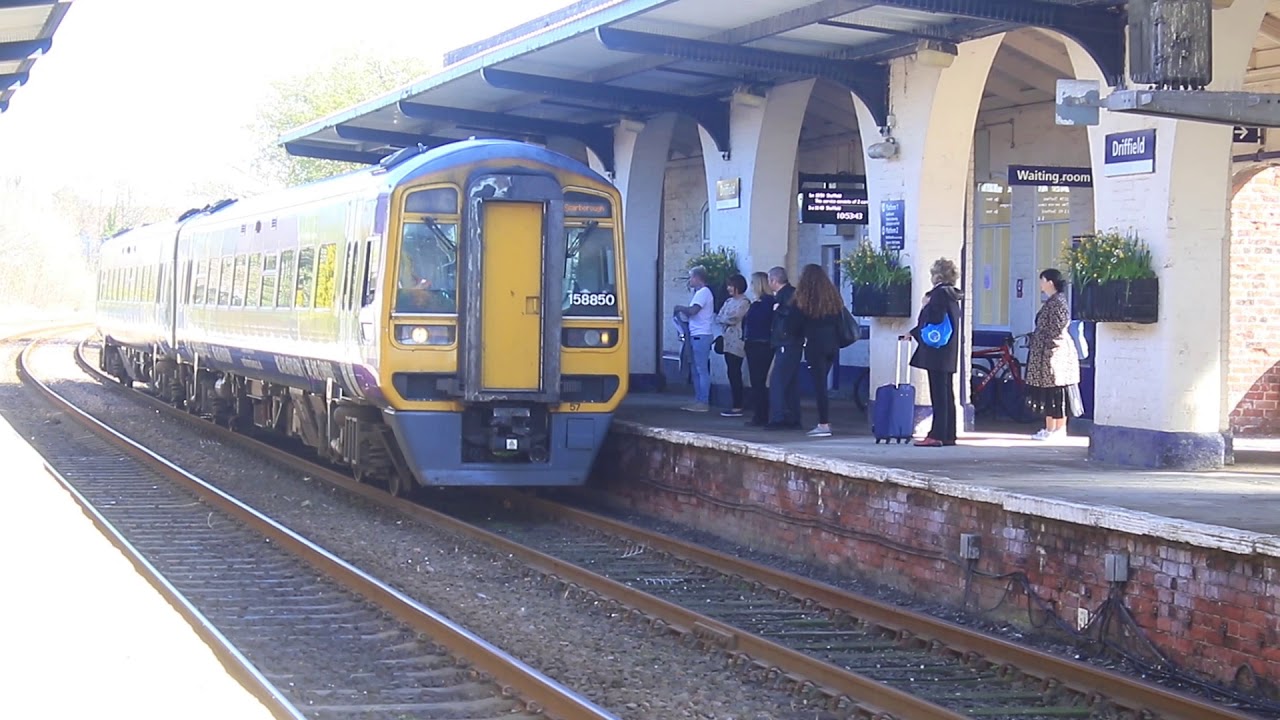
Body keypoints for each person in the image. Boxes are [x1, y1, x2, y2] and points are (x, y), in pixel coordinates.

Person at [909, 258, 962, 447]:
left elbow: (934, 318)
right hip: (949, 351)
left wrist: (925, 305)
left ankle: (936, 434)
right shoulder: (953, 295)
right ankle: (949, 434)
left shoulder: (938, 295)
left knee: (938, 393)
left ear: (937, 275)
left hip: (937, 352)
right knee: (947, 394)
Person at [1025, 268, 1082, 441]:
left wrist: (1047, 345)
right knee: (1051, 391)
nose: (1041, 285)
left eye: (1042, 280)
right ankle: (1053, 428)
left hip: (1055, 355)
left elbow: (1058, 328)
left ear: (1050, 282)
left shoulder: (1057, 302)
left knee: (1055, 390)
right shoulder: (1054, 301)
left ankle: (1055, 429)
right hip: (1049, 354)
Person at [793, 263, 844, 437]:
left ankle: (824, 424)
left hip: (815, 345)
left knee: (819, 385)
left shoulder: (804, 299)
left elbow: (795, 324)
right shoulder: (832, 297)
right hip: (832, 344)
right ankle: (824, 422)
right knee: (822, 384)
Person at [766, 266, 803, 429]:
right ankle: (793, 417)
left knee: (777, 381)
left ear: (774, 280)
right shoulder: (792, 293)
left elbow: (791, 315)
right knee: (791, 382)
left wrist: (778, 309)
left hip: (786, 342)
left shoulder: (785, 296)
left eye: (770, 281)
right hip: (792, 343)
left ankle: (778, 418)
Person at [673, 266, 715, 412]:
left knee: (701, 369)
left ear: (697, 278)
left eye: (691, 277)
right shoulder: (700, 293)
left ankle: (703, 401)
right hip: (697, 334)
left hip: (701, 335)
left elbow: (693, 311)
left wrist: (680, 308)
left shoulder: (703, 293)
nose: (689, 280)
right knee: (696, 369)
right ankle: (699, 400)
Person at [742, 272, 775, 427]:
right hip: (757, 343)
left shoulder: (765, 304)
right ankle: (761, 414)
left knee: (758, 381)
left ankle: (761, 415)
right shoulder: (763, 303)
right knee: (758, 381)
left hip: (759, 344)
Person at [715, 273, 751, 417]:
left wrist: (725, 318)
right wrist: (725, 318)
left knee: (735, 371)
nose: (729, 288)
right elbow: (719, 317)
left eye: (731, 285)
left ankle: (738, 405)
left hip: (738, 341)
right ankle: (735, 402)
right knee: (730, 371)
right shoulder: (729, 301)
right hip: (727, 340)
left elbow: (734, 318)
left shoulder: (745, 302)